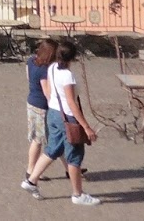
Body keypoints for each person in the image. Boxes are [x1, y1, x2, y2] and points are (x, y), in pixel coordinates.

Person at [23, 39, 99, 205]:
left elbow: (49, 92)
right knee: (74, 156)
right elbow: (71, 103)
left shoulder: (50, 68)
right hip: (67, 116)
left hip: (53, 113)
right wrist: (86, 127)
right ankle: (78, 194)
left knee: (52, 149)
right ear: (73, 58)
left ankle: (31, 180)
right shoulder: (67, 76)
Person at [24, 39, 58, 181]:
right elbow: (46, 92)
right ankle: (31, 170)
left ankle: (71, 169)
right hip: (41, 107)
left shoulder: (31, 60)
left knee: (53, 138)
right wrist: (55, 104)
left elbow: (28, 76)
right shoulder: (44, 70)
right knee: (38, 140)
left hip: (31, 101)